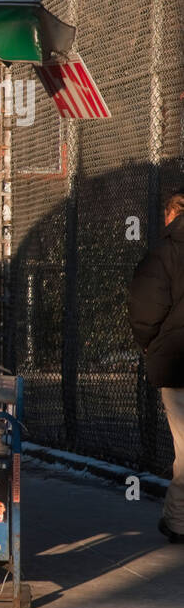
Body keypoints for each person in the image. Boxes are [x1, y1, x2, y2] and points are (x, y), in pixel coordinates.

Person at [128, 189, 184, 543]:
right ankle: (174, 517)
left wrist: (150, 344)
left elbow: (146, 311)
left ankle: (177, 521)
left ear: (170, 214)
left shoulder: (162, 254)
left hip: (177, 361)